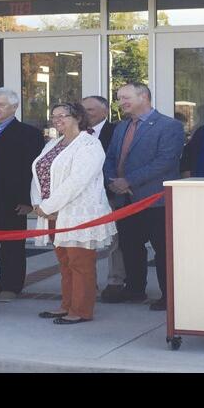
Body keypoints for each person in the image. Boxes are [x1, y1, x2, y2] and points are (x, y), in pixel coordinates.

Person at [101, 82, 184, 311]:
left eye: (126, 97)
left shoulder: (170, 126)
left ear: (144, 97)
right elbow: (110, 158)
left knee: (162, 250)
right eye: (119, 98)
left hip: (155, 200)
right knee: (129, 246)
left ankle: (169, 296)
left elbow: (165, 161)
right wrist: (113, 182)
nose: (121, 102)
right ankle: (135, 289)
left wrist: (129, 181)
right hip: (125, 200)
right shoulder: (121, 127)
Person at [31, 103, 116, 324]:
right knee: (65, 263)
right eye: (53, 116)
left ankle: (81, 310)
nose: (57, 120)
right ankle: (66, 305)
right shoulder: (53, 143)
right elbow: (38, 174)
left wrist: (49, 206)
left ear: (78, 117)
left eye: (63, 116)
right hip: (52, 213)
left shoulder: (89, 144)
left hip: (77, 213)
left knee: (81, 263)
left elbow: (77, 182)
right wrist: (38, 204)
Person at [0, 87, 43, 303]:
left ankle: (10, 286)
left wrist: (27, 200)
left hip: (12, 201)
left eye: (0, 104)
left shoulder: (29, 134)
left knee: (12, 247)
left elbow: (33, 170)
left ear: (14, 107)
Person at [81, 95, 125, 292]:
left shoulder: (117, 131)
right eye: (82, 110)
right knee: (83, 240)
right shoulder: (75, 134)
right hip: (80, 197)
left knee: (115, 240)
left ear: (105, 111)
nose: (85, 114)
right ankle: (87, 282)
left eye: (90, 110)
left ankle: (115, 280)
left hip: (110, 194)